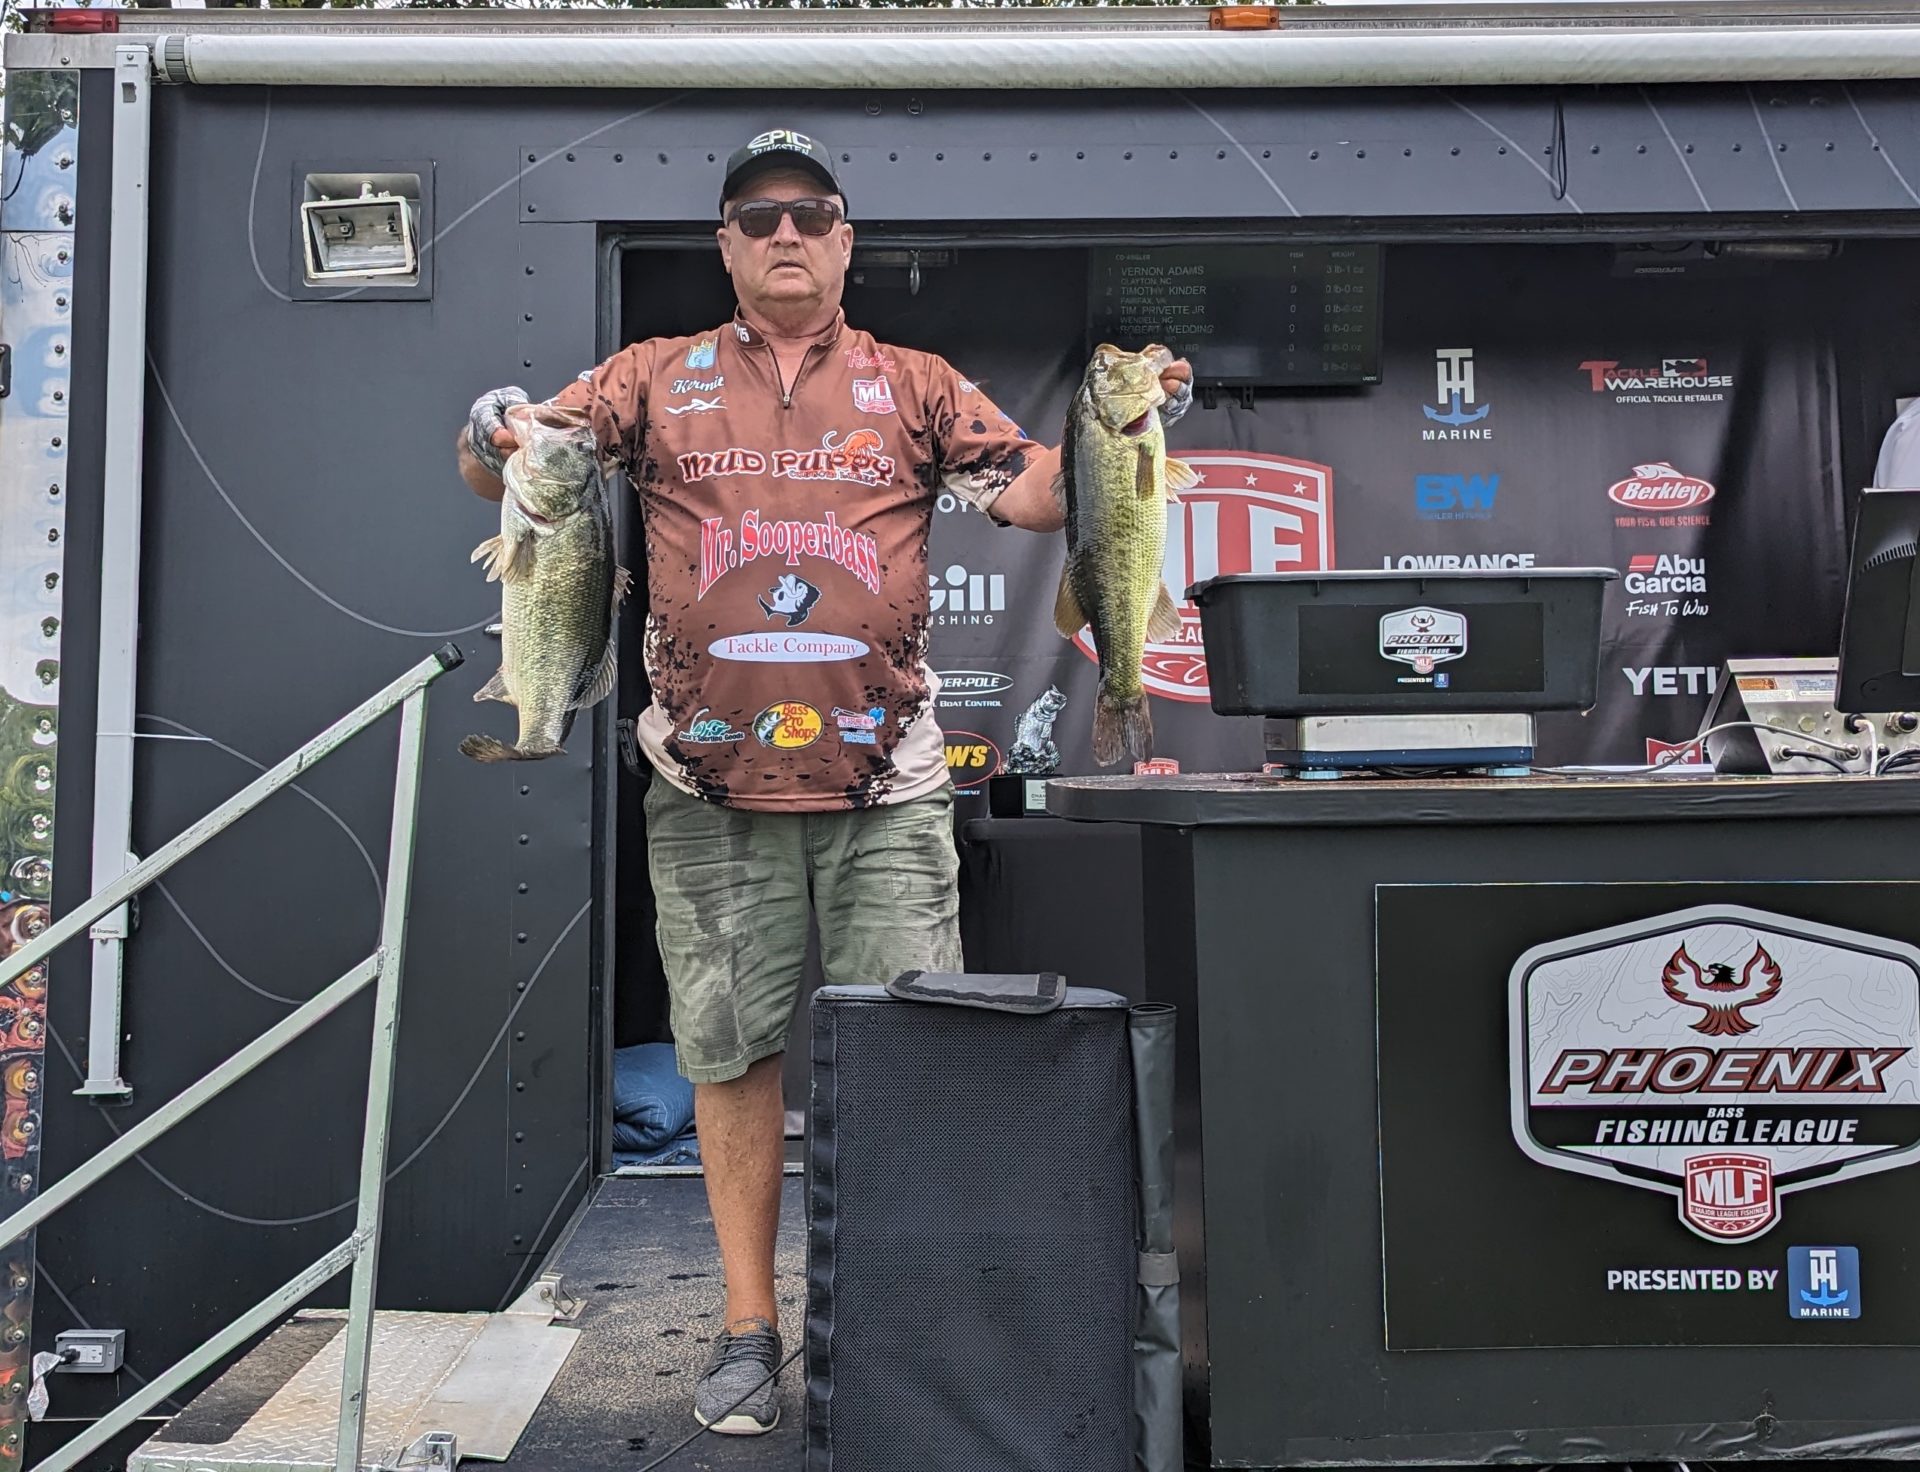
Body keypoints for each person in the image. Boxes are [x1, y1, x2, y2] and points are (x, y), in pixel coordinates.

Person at [456, 126, 1191, 1436]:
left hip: (887, 791)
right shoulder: (648, 378)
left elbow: (1033, 499)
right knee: (731, 1064)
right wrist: (489, 430)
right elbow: (514, 467)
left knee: (912, 1056)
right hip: (708, 786)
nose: (785, 232)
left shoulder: (914, 384)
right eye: (758, 215)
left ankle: (899, 1332)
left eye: (811, 213)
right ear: (726, 244)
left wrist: (1127, 432)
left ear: (846, 240)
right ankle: (749, 1328)